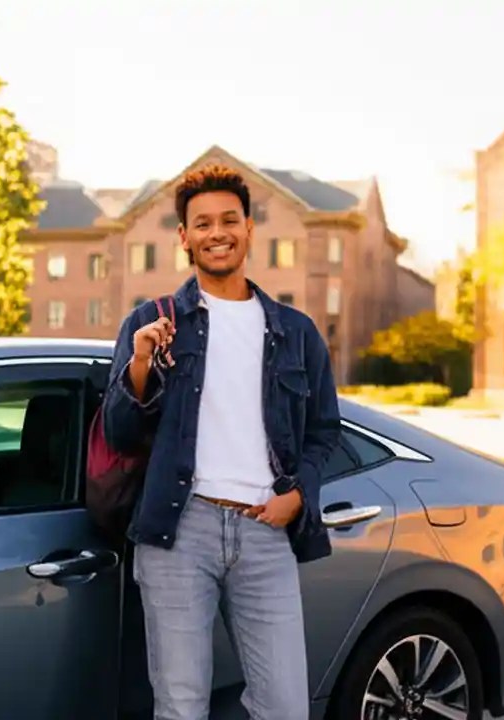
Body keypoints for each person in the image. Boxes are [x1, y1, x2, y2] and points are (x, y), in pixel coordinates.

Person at [102, 164, 343, 720]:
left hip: (265, 532)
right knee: (182, 707)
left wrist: (299, 496)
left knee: (284, 707)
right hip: (180, 531)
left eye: (229, 220)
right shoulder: (151, 322)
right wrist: (140, 364)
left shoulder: (296, 331)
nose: (218, 232)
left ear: (249, 228)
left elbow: (324, 432)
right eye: (202, 223)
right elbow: (119, 434)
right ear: (183, 237)